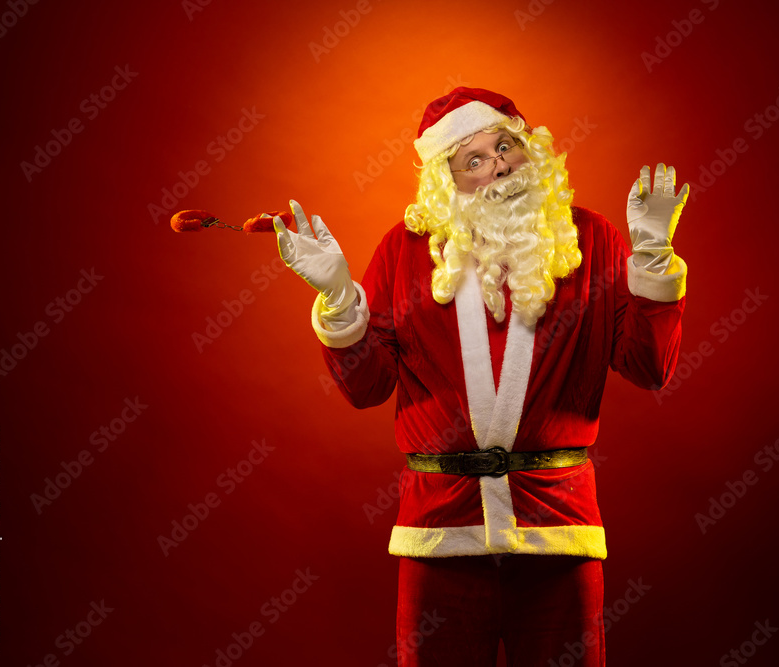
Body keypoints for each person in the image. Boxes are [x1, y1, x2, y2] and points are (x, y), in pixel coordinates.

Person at [270, 87, 689, 666]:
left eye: (507, 146)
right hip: (440, 532)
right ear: (449, 182)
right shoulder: (404, 250)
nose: (498, 166)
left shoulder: (592, 239)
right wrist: (339, 297)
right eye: (474, 159)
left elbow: (649, 368)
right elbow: (367, 388)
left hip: (558, 532)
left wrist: (652, 255)